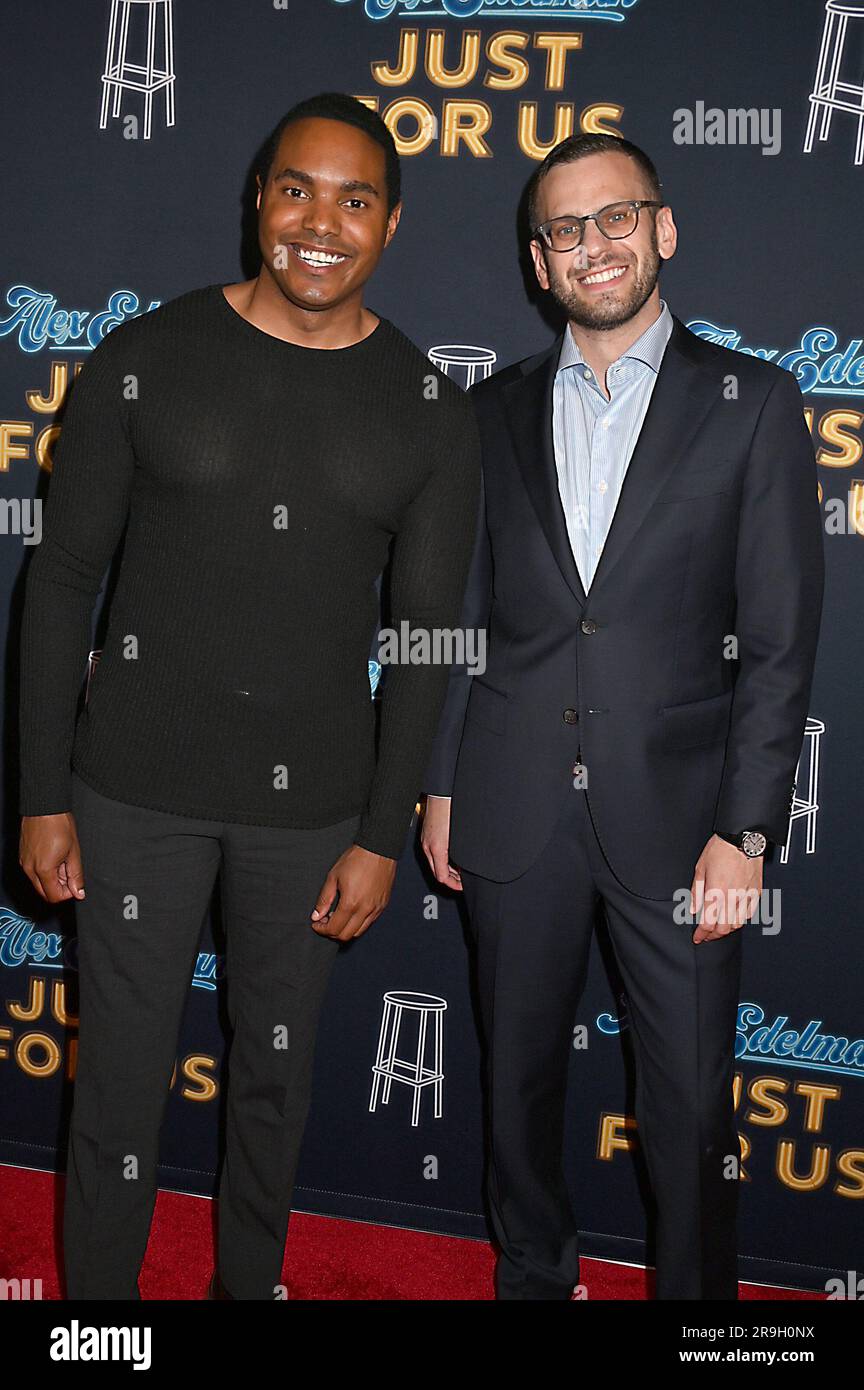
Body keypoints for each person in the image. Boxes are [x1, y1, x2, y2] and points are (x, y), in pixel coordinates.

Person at [18, 91, 480, 1301]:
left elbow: (425, 638)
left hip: (314, 813)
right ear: (257, 200)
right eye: (297, 189)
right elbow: (62, 577)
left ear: (391, 224)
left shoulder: (427, 407)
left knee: (273, 1085)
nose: (320, 223)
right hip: (129, 792)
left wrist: (383, 834)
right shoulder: (147, 356)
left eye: (354, 198)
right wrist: (39, 792)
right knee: (116, 1082)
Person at [422, 132, 824, 1301]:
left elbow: (782, 644)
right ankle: (537, 1275)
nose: (592, 244)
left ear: (663, 229)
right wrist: (440, 780)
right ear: (538, 263)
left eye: (616, 217)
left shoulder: (753, 401)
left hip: (685, 821)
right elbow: (464, 615)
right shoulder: (487, 412)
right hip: (509, 805)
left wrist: (747, 834)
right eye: (565, 229)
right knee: (517, 1085)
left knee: (692, 1102)